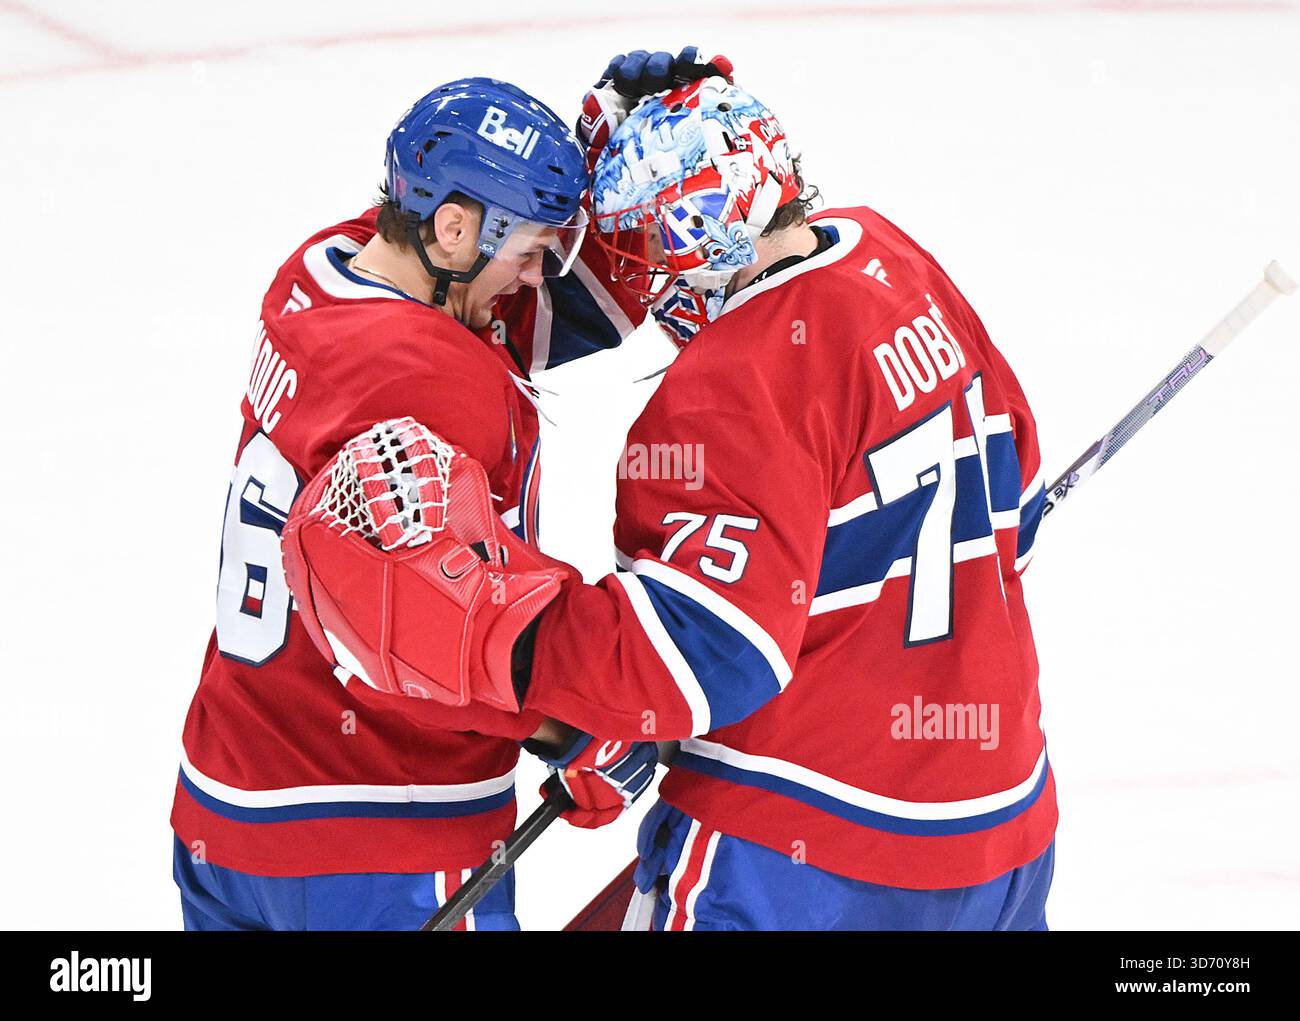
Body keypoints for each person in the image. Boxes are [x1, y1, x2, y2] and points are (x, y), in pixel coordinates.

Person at [291, 65, 1057, 930]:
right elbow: (1016, 509)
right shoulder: (890, 258)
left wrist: (526, 660)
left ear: (700, 242)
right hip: (1005, 838)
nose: (640, 281)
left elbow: (697, 658)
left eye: (648, 248)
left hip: (797, 859)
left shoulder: (726, 391)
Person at [170, 76, 661, 931]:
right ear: (454, 226)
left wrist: (605, 164)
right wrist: (578, 725)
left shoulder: (319, 271)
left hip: (227, 808)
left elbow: (524, 307)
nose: (537, 275)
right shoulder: (440, 383)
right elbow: (435, 624)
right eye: (532, 248)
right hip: (378, 839)